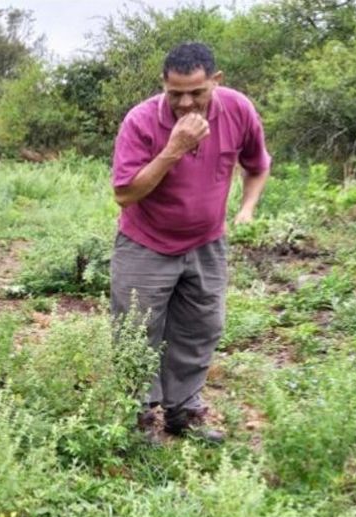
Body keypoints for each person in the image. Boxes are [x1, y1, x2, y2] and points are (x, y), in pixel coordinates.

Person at [110, 42, 270, 443]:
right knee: (136, 328)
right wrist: (173, 149)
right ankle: (139, 416)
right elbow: (126, 193)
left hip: (206, 243)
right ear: (162, 85)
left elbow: (257, 166)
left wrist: (247, 207)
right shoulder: (140, 121)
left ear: (216, 82)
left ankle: (184, 412)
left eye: (196, 92)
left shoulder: (238, 110)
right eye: (174, 93)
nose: (185, 102)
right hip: (145, 241)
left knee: (200, 327)